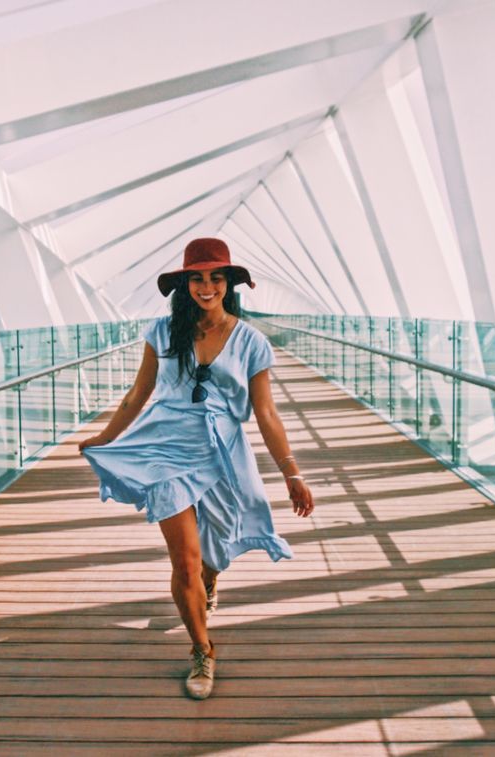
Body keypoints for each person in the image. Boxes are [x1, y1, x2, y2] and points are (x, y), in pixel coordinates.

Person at [79, 237, 315, 700]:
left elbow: (266, 413)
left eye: (215, 277)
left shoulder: (251, 342)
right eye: (197, 278)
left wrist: (292, 472)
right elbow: (137, 394)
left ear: (229, 284)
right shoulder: (162, 333)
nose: (206, 286)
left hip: (223, 453)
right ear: (184, 284)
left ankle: (210, 579)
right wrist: (105, 438)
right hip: (165, 451)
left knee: (214, 551)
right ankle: (202, 650)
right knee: (184, 560)